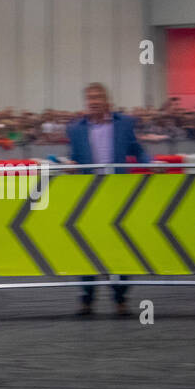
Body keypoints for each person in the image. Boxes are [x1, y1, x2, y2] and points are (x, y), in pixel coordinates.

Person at [65, 82, 147, 316]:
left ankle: (120, 297)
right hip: (88, 195)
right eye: (90, 98)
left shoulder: (125, 124)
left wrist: (151, 164)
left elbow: (136, 150)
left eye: (98, 97)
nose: (94, 102)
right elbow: (75, 157)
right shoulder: (75, 129)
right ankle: (87, 298)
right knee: (86, 246)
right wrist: (71, 165)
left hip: (117, 193)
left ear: (107, 100)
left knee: (119, 246)